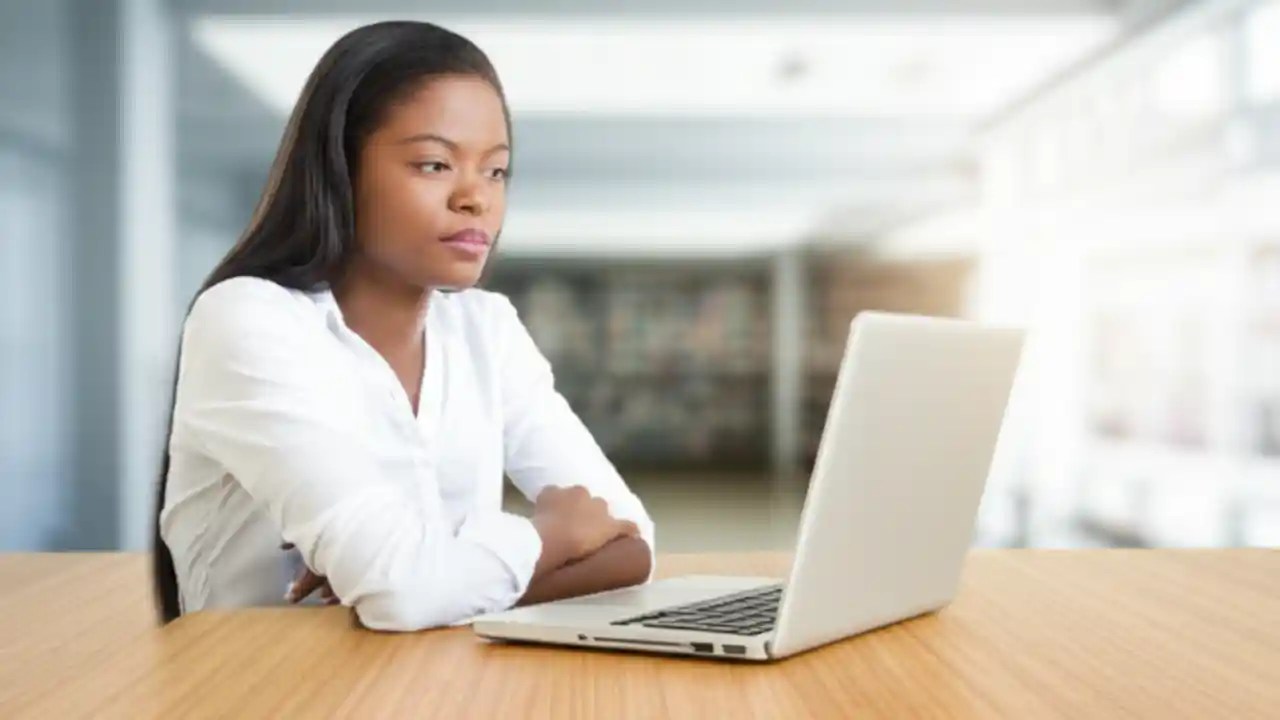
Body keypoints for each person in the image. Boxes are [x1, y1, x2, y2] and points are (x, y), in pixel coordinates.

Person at [152, 21, 655, 632]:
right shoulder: (247, 319)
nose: (476, 198)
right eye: (434, 164)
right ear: (340, 170)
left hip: (436, 685)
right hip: (264, 689)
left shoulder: (486, 330)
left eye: (496, 171)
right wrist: (553, 535)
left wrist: (430, 583)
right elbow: (402, 590)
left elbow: (632, 543)